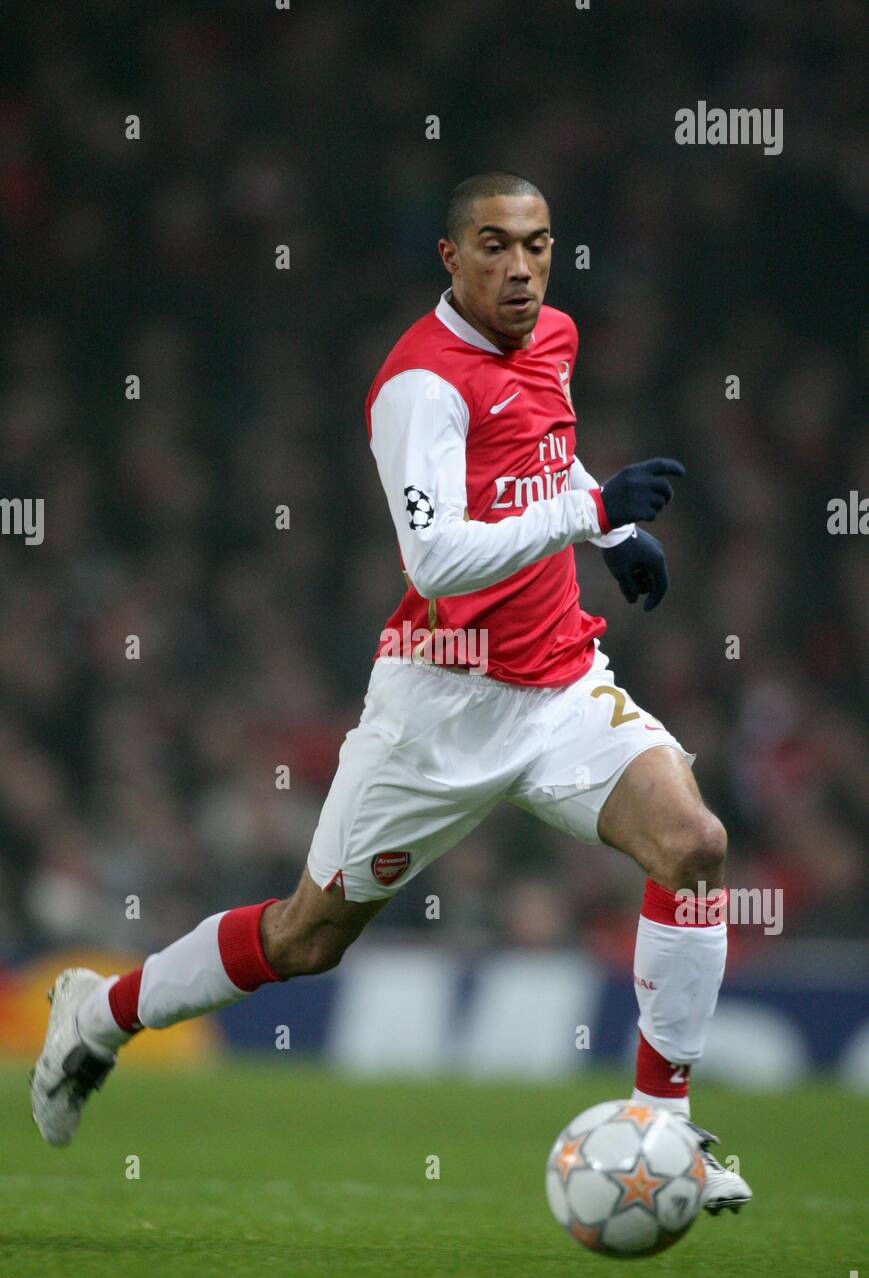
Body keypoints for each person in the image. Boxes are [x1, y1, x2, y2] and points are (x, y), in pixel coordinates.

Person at [31, 171, 751, 1214]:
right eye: (496, 247)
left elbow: (540, 457)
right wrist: (588, 506)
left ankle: (665, 1132)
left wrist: (611, 531)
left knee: (693, 844)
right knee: (304, 936)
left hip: (557, 687)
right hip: (437, 707)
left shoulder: (551, 336)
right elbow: (439, 557)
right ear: (450, 259)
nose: (521, 268)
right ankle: (100, 1013)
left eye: (538, 245)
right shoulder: (418, 386)